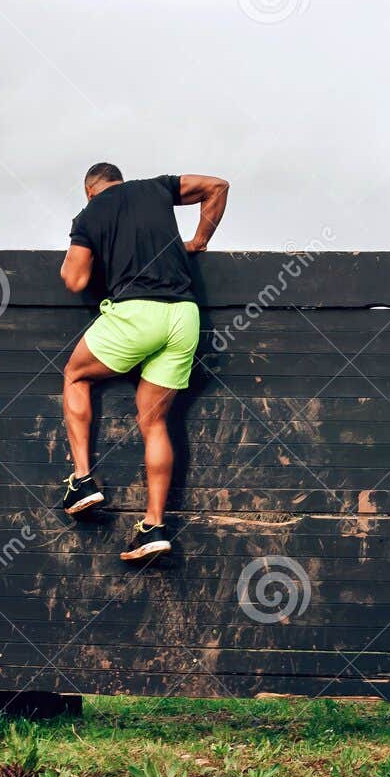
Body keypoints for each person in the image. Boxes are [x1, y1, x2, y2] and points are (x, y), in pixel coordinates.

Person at [57, 162, 229, 561]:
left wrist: (90, 244)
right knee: (153, 422)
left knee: (75, 375)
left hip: (137, 314)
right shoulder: (156, 188)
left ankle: (82, 481)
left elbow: (75, 280)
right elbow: (217, 186)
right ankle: (153, 526)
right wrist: (198, 240)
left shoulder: (90, 213)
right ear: (119, 179)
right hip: (184, 317)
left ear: (90, 191)